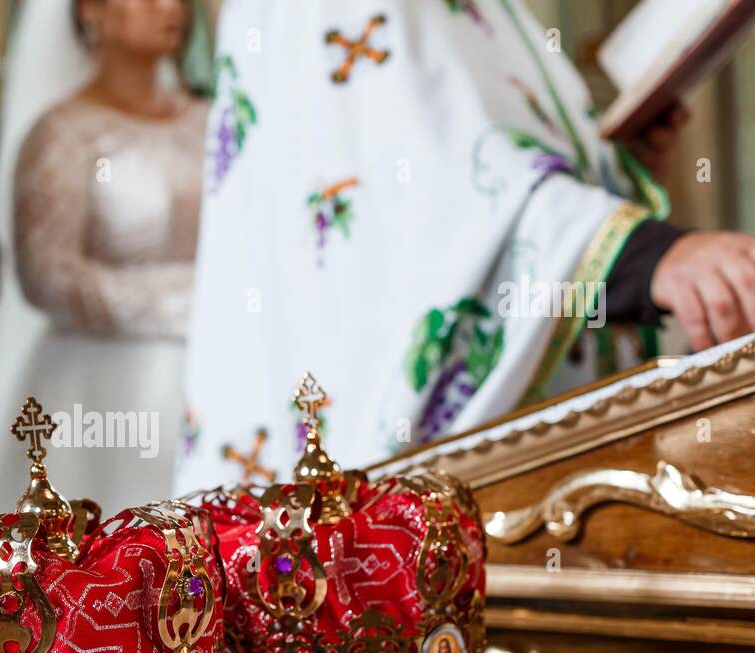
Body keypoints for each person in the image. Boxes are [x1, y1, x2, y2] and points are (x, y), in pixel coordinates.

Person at [175, 0, 755, 492]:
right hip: (387, 479)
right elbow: (412, 202)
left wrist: (615, 163)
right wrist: (648, 255)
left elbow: (470, 161)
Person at [0, 0, 207, 516]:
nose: (171, 7)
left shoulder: (211, 120)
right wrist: (192, 304)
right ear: (91, 10)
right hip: (105, 394)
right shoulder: (62, 132)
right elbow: (48, 276)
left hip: (210, 374)